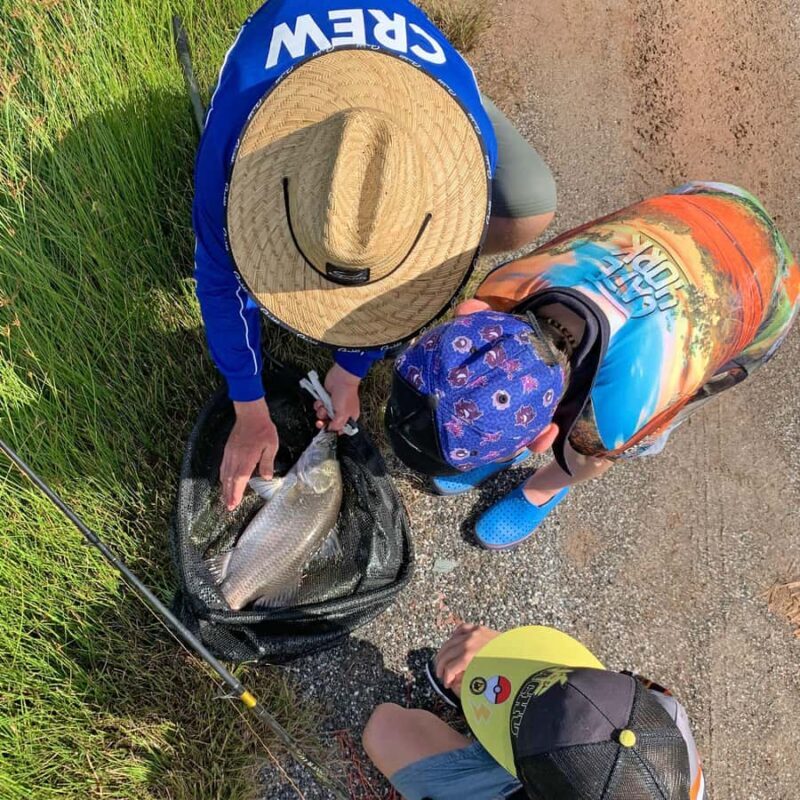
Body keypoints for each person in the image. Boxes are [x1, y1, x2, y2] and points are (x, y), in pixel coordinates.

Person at [192, 0, 558, 510]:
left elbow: (415, 282)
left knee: (531, 208)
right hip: (289, 38)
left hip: (431, 81)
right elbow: (218, 280)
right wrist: (248, 404)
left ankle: (438, 83)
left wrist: (351, 368)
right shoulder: (232, 156)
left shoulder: (469, 160)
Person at [385, 181, 800, 549]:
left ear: (545, 437)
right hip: (712, 203)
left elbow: (594, 458)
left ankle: (547, 487)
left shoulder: (614, 419)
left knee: (656, 418)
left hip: (771, 292)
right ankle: (503, 437)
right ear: (469, 316)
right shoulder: (508, 283)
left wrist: (575, 458)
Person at [363, 623, 705, 799]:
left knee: (386, 730)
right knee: (469, 669)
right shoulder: (664, 711)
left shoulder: (668, 710)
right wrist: (498, 652)